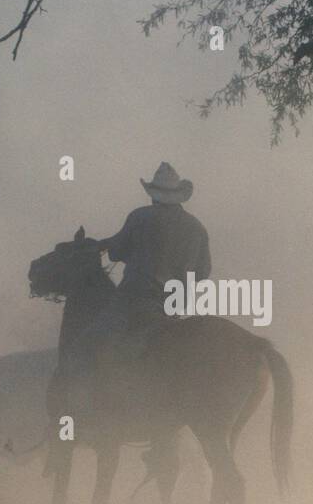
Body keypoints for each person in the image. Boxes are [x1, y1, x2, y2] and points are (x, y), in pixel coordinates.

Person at [69, 161, 211, 416]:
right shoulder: (196, 228)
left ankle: (86, 411)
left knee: (88, 341)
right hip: (173, 305)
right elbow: (203, 272)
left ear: (154, 195)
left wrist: (103, 246)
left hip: (134, 297)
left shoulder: (140, 217)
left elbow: (118, 250)